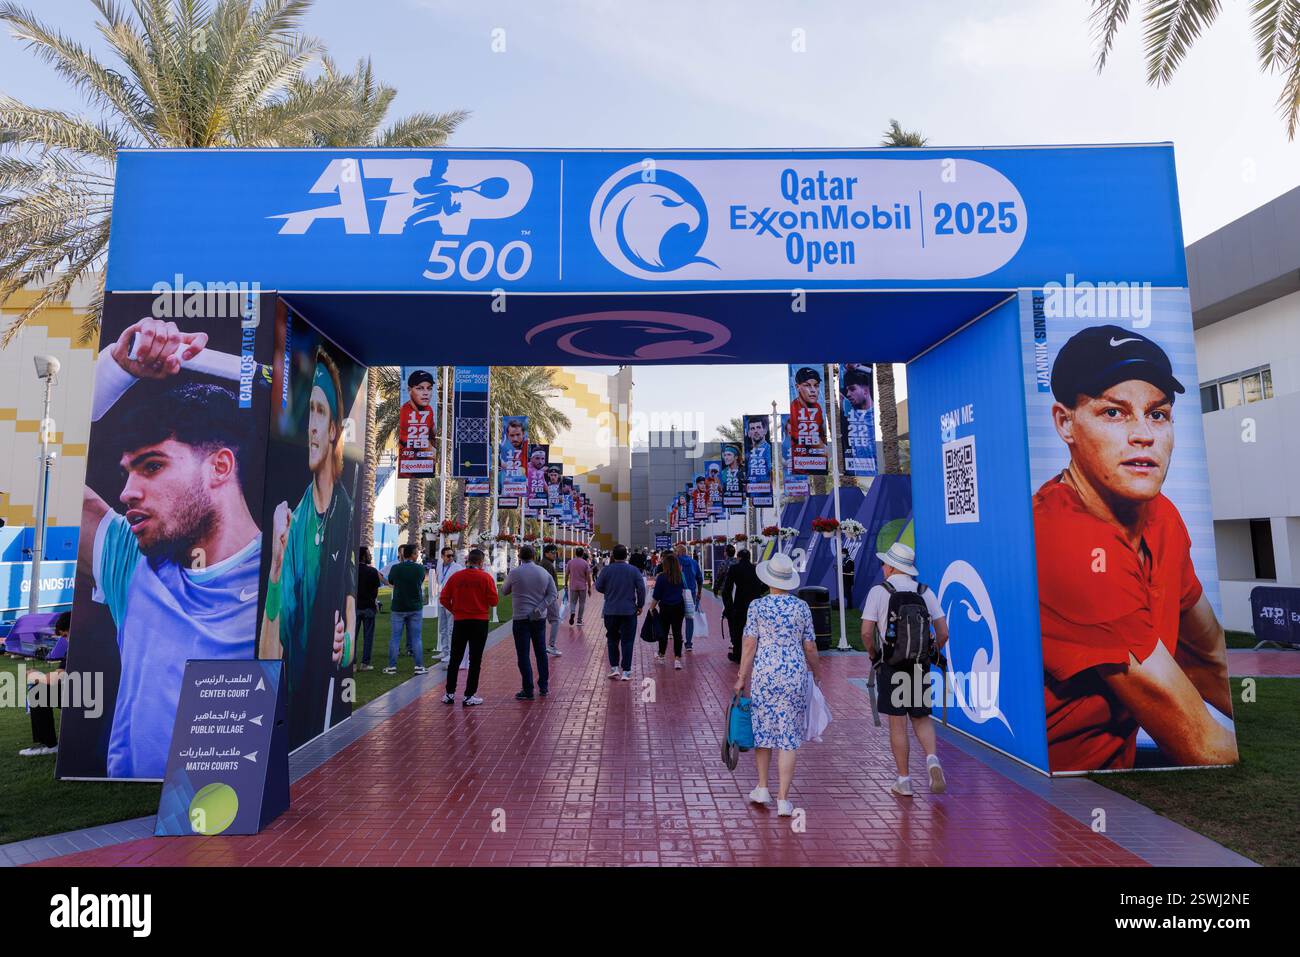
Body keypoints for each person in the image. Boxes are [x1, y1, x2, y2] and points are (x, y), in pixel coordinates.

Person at [1036, 325, 1236, 771]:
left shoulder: (1162, 517)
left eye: (1158, 414)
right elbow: (1199, 744)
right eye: (1114, 413)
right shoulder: (1064, 541)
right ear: (1065, 422)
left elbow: (1207, 659)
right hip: (1053, 800)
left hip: (1115, 790)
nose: (1143, 434)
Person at [83, 317, 261, 778]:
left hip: (247, 815)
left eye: (152, 466)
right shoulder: (129, 558)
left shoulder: (285, 568)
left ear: (219, 466)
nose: (127, 492)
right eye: (127, 472)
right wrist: (115, 370)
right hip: (141, 824)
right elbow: (24, 461)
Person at [261, 345, 357, 745]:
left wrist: (347, 642)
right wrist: (276, 567)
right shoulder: (293, 522)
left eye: (320, 414)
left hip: (329, 714)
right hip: (293, 718)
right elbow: (268, 657)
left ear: (334, 429)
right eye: (310, 413)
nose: (311, 427)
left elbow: (350, 605)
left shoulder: (346, 511)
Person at [734, 552, 823, 817]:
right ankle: (784, 799)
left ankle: (762, 787)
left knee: (763, 731)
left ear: (769, 579)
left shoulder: (757, 606)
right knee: (788, 737)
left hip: (765, 674)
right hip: (794, 674)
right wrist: (816, 672)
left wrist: (741, 676)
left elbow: (749, 644)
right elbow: (810, 645)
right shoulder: (801, 607)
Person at [860, 542, 948, 797]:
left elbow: (866, 632)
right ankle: (932, 759)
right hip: (919, 665)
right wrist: (929, 652)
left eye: (884, 564)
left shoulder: (879, 591)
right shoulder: (924, 591)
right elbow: (943, 632)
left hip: (891, 665)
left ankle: (904, 780)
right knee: (921, 718)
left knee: (897, 725)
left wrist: (874, 655)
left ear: (890, 567)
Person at [438, 548, 498, 706]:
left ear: (468, 560)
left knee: (455, 658)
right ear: (480, 562)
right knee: (475, 659)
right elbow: (494, 601)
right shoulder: (486, 578)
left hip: (460, 620)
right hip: (479, 621)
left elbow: (443, 598)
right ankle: (469, 694)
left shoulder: (456, 577)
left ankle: (449, 693)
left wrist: (455, 610)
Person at [502, 544, 557, 700]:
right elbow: (552, 594)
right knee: (541, 653)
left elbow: (504, 591)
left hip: (520, 617)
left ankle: (527, 688)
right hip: (538, 617)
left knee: (523, 654)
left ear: (519, 556)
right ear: (534, 556)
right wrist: (540, 607)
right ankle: (544, 686)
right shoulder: (544, 572)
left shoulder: (514, 573)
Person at [20, 611, 71, 757]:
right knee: (39, 689)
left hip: (91, 695)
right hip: (83, 692)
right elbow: (60, 673)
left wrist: (34, 676)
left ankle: (49, 744)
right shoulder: (72, 648)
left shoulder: (83, 646)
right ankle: (48, 743)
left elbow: (57, 678)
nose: (66, 639)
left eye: (66, 635)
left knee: (37, 691)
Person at [595, 544, 646, 680]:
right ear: (626, 556)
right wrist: (640, 605)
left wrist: (609, 591)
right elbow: (641, 589)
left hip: (610, 610)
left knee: (612, 639)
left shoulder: (606, 570)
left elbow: (598, 587)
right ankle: (626, 671)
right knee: (627, 641)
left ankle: (614, 667)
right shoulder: (634, 570)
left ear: (613, 556)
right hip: (629, 611)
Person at [383, 543, 427, 675]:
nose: (418, 555)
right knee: (416, 638)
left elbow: (391, 581)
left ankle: (392, 666)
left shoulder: (396, 568)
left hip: (398, 606)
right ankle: (419, 666)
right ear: (413, 554)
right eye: (417, 553)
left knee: (395, 637)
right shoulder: (419, 569)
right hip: (415, 607)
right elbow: (420, 580)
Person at [720, 548, 766, 662]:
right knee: (757, 630)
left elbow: (727, 589)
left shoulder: (734, 568)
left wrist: (728, 606)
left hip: (739, 603)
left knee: (738, 630)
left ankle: (737, 655)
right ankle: (758, 653)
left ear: (739, 558)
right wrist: (757, 592)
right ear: (749, 557)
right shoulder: (756, 568)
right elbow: (764, 585)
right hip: (755, 603)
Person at [645, 551, 688, 669]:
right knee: (677, 632)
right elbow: (685, 588)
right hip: (679, 607)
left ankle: (662, 655)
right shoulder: (680, 576)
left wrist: (651, 608)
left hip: (665, 607)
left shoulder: (662, 577)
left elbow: (657, 595)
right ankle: (677, 659)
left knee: (663, 632)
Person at [356, 547, 388, 672]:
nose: (370, 556)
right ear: (363, 556)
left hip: (356, 607)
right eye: (369, 554)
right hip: (369, 607)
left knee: (353, 636)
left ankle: (352, 664)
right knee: (368, 636)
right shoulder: (372, 571)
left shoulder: (352, 570)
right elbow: (375, 590)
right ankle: (365, 663)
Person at [433, 545, 464, 663]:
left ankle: (451, 653)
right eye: (448, 556)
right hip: (441, 599)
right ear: (442, 556)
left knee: (451, 628)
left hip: (452, 601)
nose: (451, 557)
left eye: (452, 555)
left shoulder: (458, 567)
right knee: (442, 627)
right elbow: (438, 580)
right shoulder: (439, 567)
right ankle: (444, 650)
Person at [674, 542, 702, 651]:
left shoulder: (675, 562)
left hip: (678, 593)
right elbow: (699, 579)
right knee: (689, 618)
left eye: (676, 551)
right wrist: (699, 592)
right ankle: (689, 643)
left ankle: (678, 640)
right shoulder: (694, 562)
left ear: (679, 552)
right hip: (692, 594)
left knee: (677, 619)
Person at [540, 543, 564, 657]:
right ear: (546, 553)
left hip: (545, 596)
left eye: (556, 553)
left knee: (542, 620)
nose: (555, 555)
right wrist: (553, 594)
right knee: (555, 620)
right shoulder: (547, 564)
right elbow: (548, 582)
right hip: (549, 596)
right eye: (553, 553)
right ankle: (552, 645)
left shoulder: (545, 563)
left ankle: (544, 645)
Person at [713, 543, 737, 642]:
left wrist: (715, 588)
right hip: (737, 592)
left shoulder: (724, 563)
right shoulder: (737, 562)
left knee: (730, 615)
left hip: (726, 592)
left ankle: (733, 639)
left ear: (726, 553)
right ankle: (736, 637)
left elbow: (719, 577)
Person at [566, 546, 594, 626]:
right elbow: (588, 577)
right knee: (582, 603)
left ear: (576, 553)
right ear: (582, 554)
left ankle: (572, 612)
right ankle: (579, 620)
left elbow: (567, 574)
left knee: (573, 602)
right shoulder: (585, 563)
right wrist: (589, 588)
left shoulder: (570, 562)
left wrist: (565, 584)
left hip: (573, 586)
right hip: (582, 586)